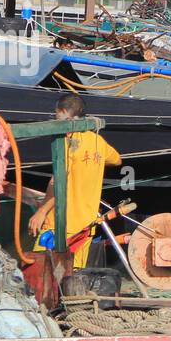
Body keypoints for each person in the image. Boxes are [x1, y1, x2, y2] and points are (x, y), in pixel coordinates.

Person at [28, 93, 121, 268]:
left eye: (56, 114)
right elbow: (117, 160)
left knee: (40, 271)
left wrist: (41, 212)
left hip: (60, 224)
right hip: (85, 225)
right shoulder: (97, 141)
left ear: (63, 112)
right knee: (74, 275)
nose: (56, 118)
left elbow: (58, 183)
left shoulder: (67, 143)